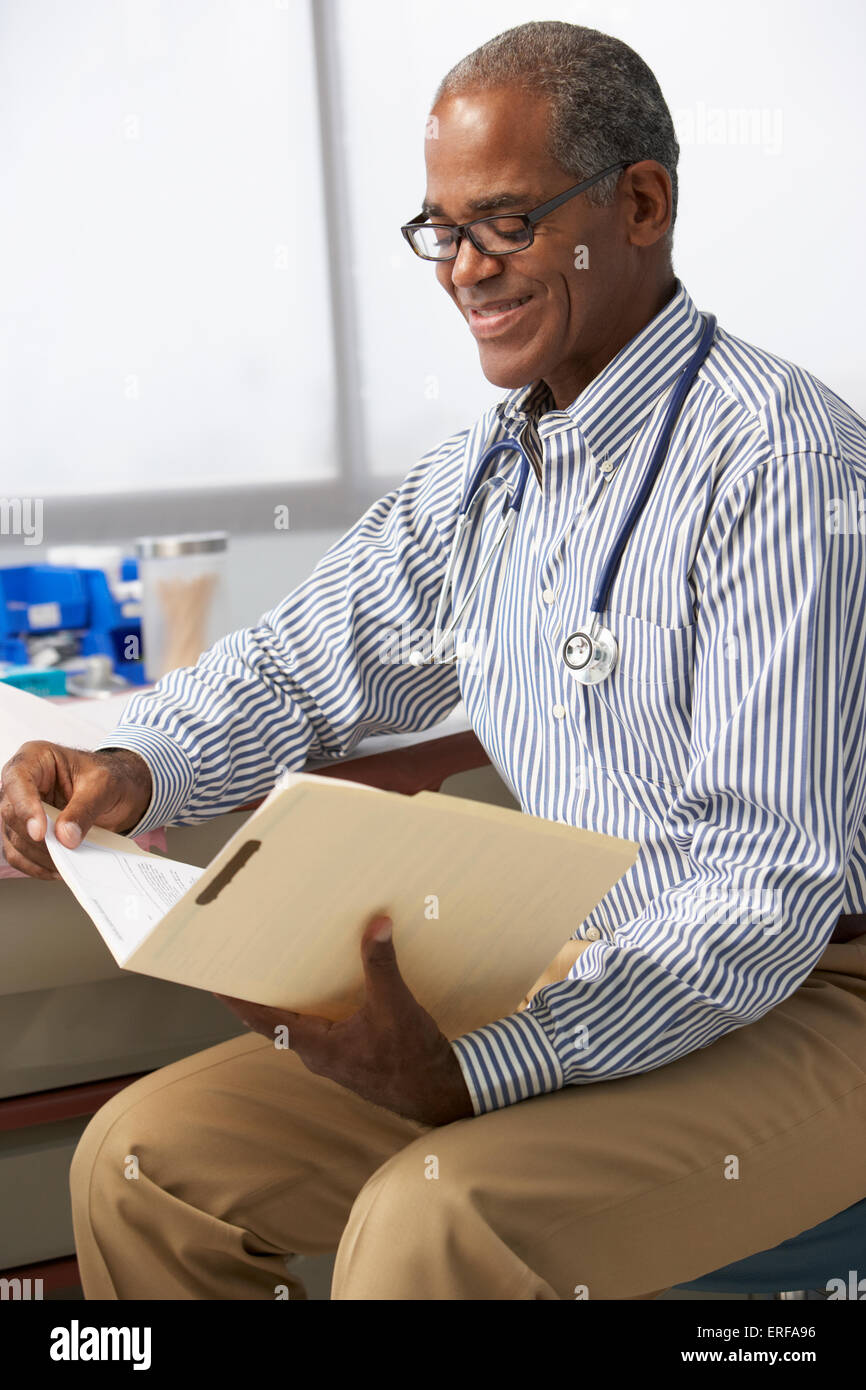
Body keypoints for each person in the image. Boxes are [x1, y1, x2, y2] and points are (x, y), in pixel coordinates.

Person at [2, 20, 865, 1301]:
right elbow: (301, 667)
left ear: (640, 203)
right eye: (439, 230)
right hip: (569, 967)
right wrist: (135, 759)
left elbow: (758, 890)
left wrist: (490, 1063)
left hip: (806, 993)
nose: (460, 268)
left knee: (431, 1222)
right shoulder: (480, 477)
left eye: (502, 223)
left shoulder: (781, 468)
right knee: (141, 1162)